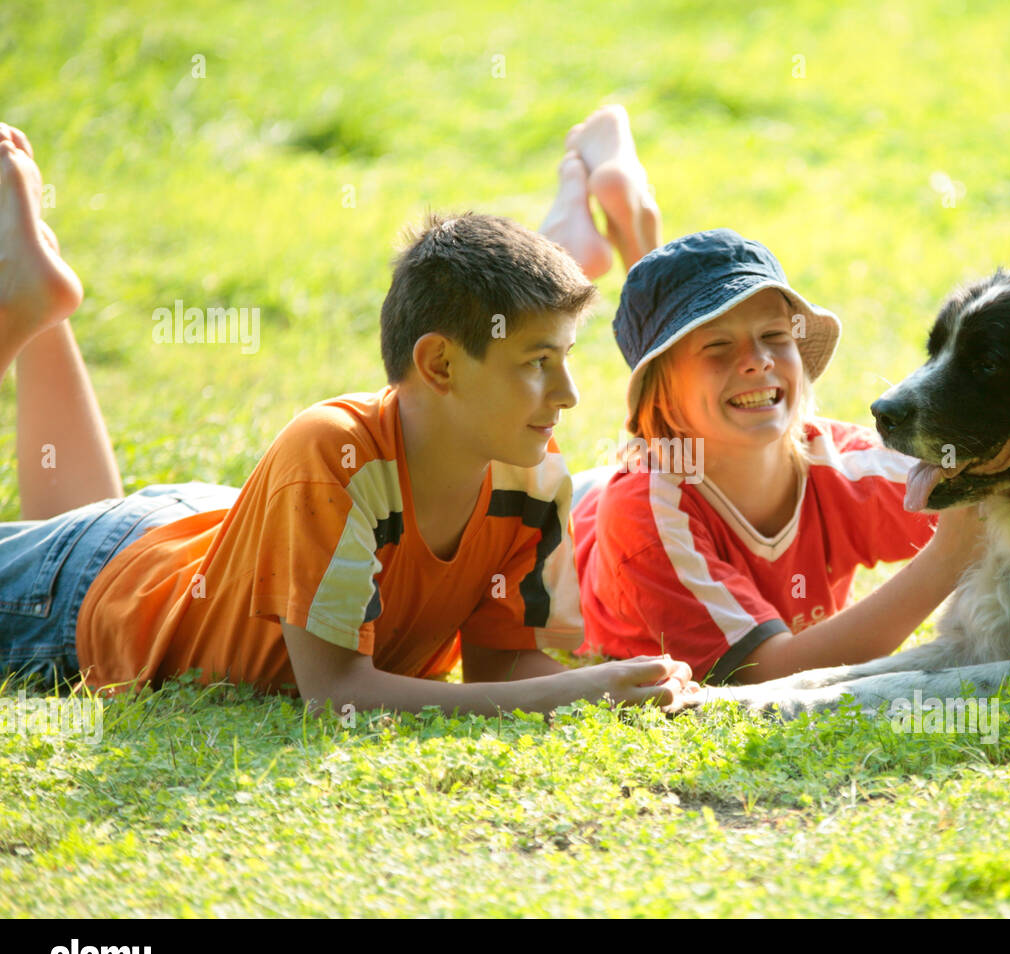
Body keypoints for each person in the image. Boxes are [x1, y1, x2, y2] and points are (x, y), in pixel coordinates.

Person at [0, 123, 692, 715]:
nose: (569, 393)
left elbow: (502, 669)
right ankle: (15, 313)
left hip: (202, 535)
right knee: (75, 539)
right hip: (105, 579)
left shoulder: (532, 476)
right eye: (537, 361)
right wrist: (573, 690)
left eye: (565, 357)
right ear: (441, 366)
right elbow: (337, 693)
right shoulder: (334, 451)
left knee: (80, 522)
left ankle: (37, 300)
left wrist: (605, 687)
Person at [538, 106, 986, 685]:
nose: (756, 359)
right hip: (574, 524)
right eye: (719, 348)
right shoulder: (648, 512)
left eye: (776, 337)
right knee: (508, 438)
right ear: (655, 395)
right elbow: (763, 671)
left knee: (679, 332)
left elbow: (987, 491)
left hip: (670, 448)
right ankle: (558, 256)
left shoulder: (836, 460)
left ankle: (627, 207)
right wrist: (947, 559)